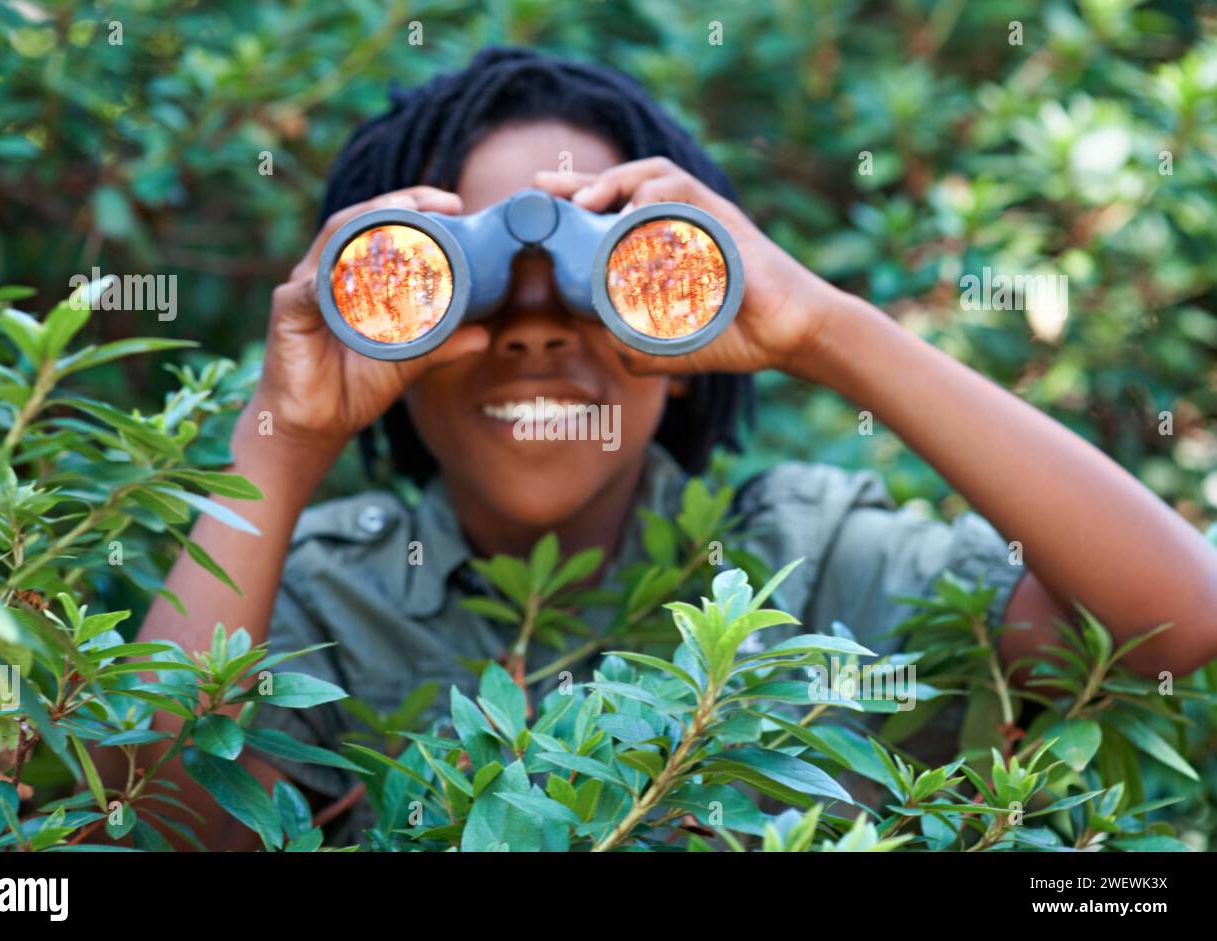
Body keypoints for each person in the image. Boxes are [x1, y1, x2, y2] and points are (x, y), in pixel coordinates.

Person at [130, 47, 1217, 849]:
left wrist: (823, 325)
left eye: (616, 283)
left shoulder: (816, 559)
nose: (540, 327)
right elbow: (149, 816)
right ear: (386, 330)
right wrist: (282, 438)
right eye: (461, 289)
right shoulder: (312, 597)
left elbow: (1170, 621)